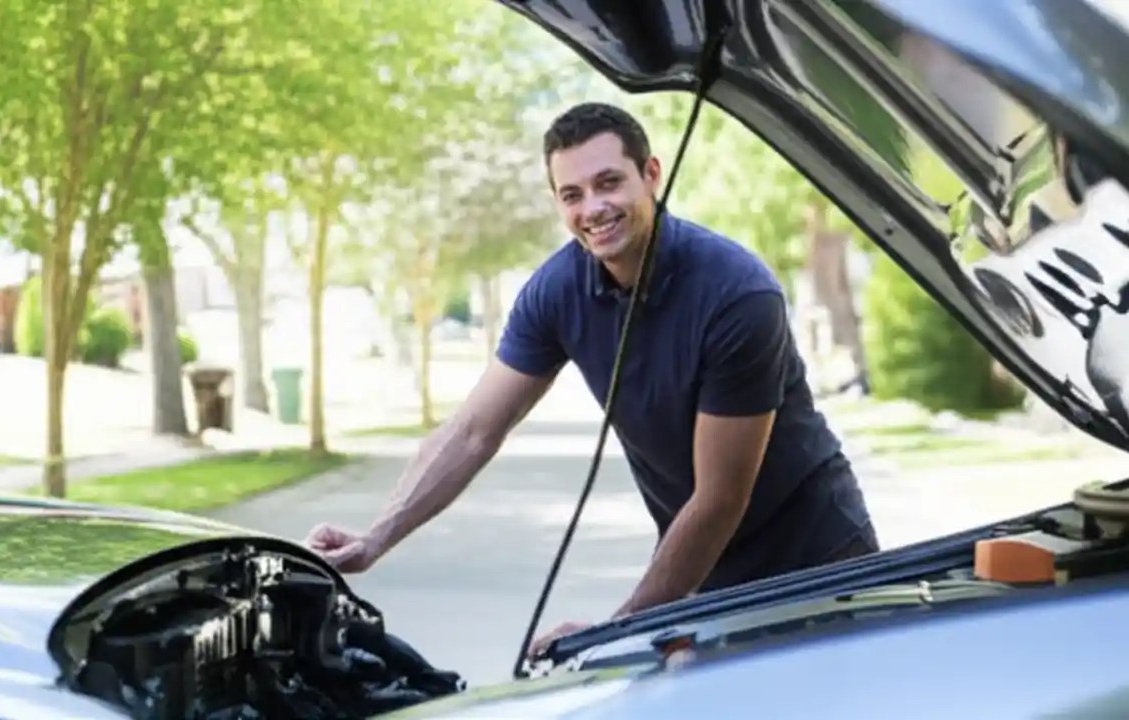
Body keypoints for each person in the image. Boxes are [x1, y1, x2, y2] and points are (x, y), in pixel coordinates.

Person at [304, 102, 878, 657]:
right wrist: (376, 538)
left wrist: (620, 629)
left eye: (609, 183)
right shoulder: (555, 291)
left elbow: (720, 497)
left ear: (651, 174)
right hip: (707, 565)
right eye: (572, 195)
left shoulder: (738, 296)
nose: (593, 209)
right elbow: (475, 429)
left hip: (816, 556)